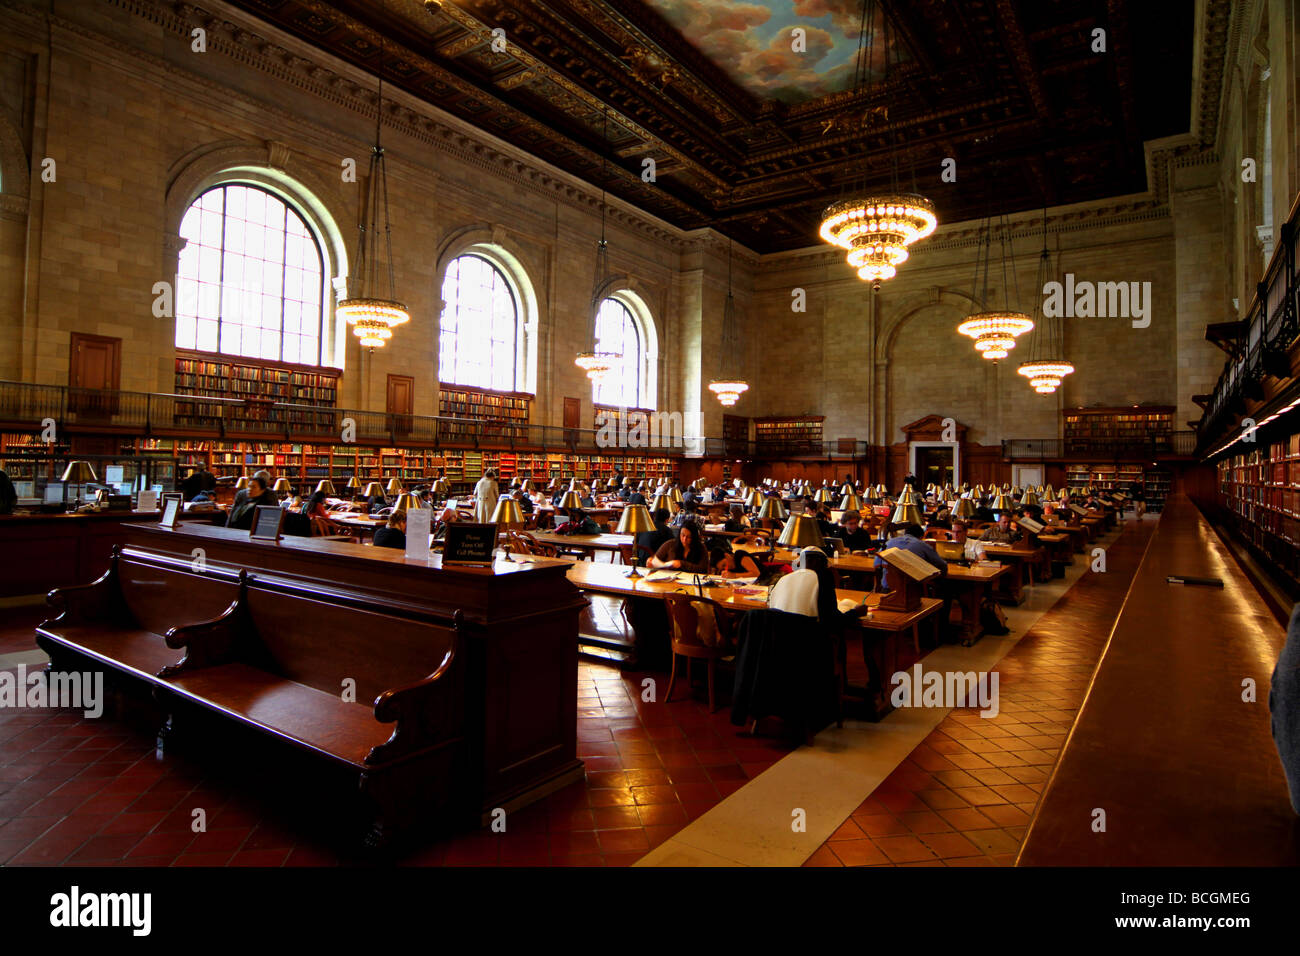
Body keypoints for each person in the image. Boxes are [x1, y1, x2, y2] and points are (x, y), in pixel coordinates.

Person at [874, 522, 947, 590]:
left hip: (887, 588)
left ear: (905, 533)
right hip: (913, 591)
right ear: (921, 536)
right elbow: (942, 565)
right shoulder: (922, 545)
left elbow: (876, 564)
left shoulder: (889, 542)